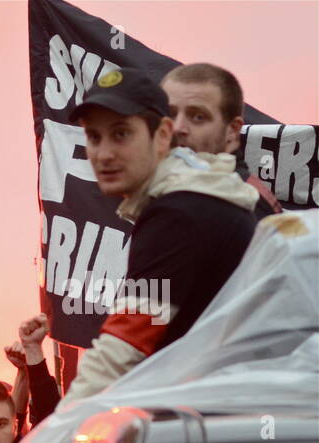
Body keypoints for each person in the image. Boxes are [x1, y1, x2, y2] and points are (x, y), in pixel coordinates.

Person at [64, 67, 259, 401]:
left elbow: (123, 348)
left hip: (217, 433)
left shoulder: (178, 214)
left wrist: (49, 441)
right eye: (94, 137)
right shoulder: (202, 199)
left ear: (163, 136)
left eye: (121, 134)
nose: (104, 154)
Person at [161, 62, 282, 220]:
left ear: (232, 129)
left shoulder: (243, 202)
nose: (178, 128)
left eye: (198, 117)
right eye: (170, 114)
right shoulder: (169, 186)